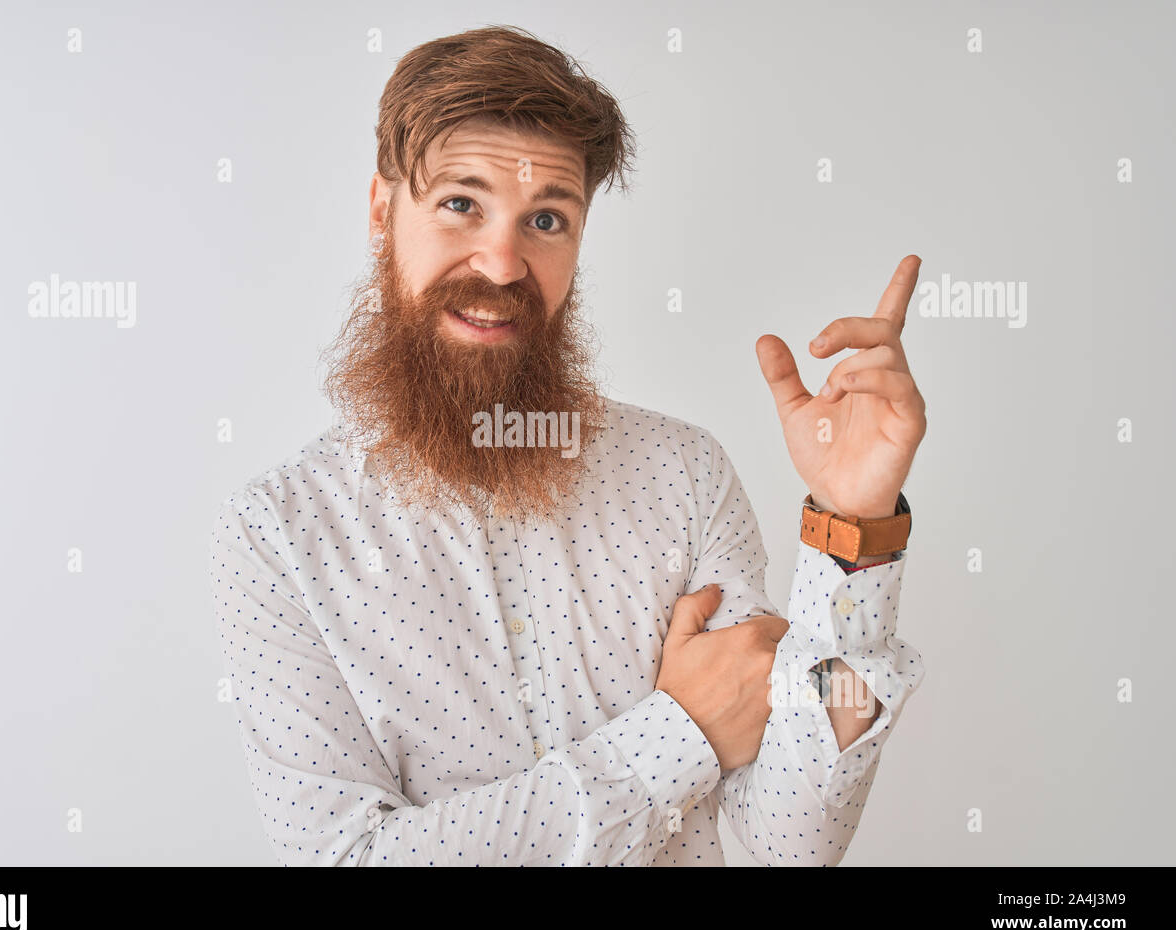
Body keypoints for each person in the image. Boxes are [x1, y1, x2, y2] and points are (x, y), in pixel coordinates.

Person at [207, 24, 926, 866]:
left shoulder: (684, 475)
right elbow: (348, 860)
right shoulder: (277, 537)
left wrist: (854, 527)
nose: (504, 263)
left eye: (546, 218)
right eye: (461, 204)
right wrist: (680, 732)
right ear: (381, 211)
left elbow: (792, 839)